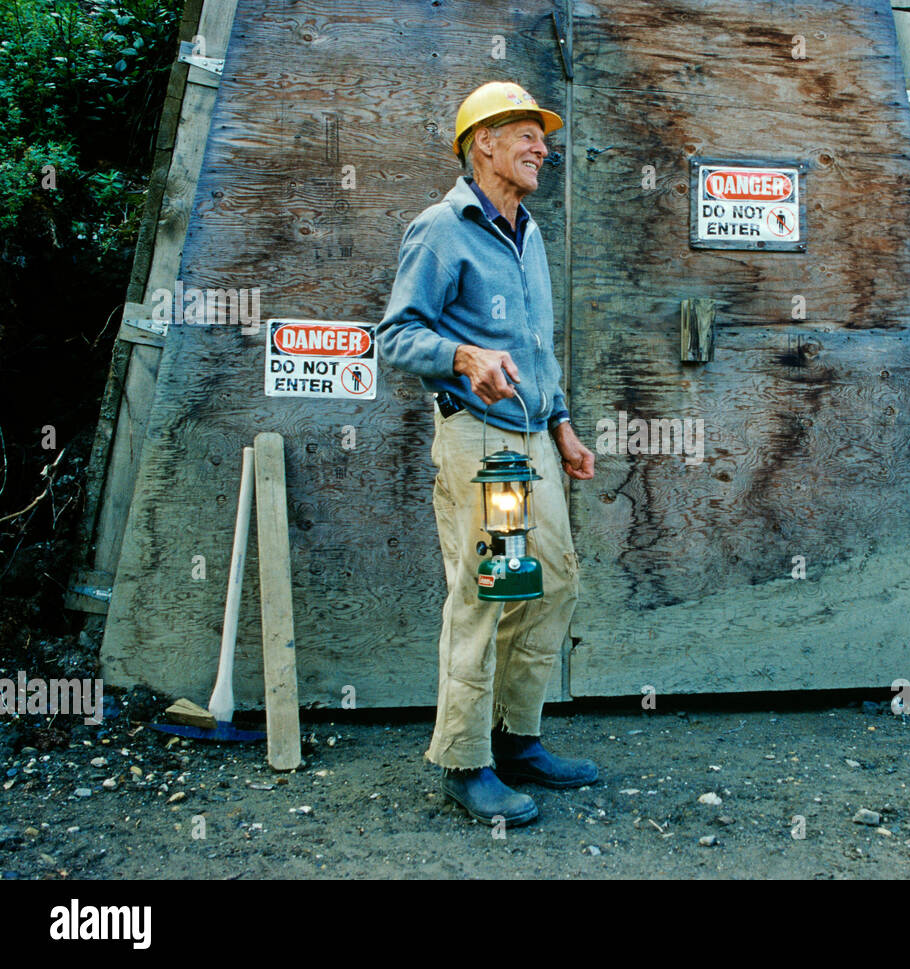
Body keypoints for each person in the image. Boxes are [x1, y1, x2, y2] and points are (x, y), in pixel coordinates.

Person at [376, 81, 598, 828]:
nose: (543, 147)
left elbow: (539, 345)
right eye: (526, 134)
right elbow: (396, 335)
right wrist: (464, 355)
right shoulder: (441, 229)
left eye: (543, 136)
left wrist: (562, 422)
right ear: (485, 145)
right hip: (483, 447)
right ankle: (463, 761)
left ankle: (518, 739)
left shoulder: (529, 232)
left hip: (535, 440)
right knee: (487, 593)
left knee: (555, 581)